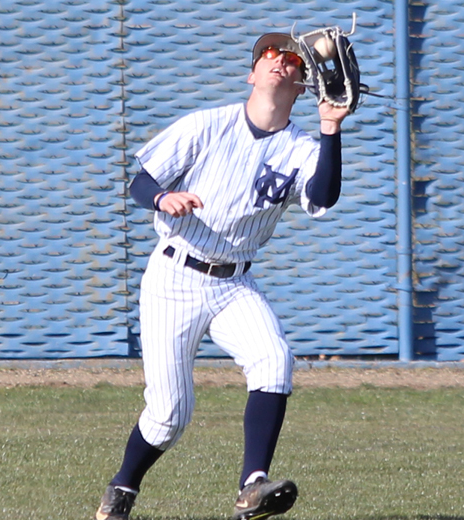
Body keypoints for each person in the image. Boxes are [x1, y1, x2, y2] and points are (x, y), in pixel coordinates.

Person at [95, 30, 350, 520]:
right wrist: (160, 198)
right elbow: (141, 180)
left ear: (303, 84)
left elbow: (323, 195)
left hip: (234, 282)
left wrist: (330, 128)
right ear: (252, 73)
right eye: (270, 55)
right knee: (169, 416)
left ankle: (252, 486)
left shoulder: (301, 146)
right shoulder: (206, 125)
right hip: (175, 274)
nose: (281, 62)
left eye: (293, 60)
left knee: (274, 360)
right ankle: (123, 488)